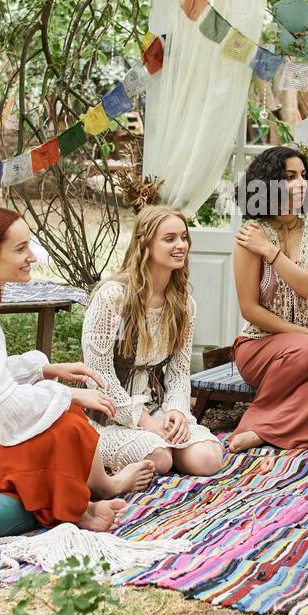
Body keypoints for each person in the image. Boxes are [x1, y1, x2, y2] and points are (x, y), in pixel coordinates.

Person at [0, 206, 154, 534]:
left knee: (69, 416)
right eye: (20, 249)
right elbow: (4, 404)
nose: (31, 256)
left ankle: (104, 485)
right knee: (63, 428)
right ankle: (82, 510)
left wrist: (47, 370)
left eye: (29, 245)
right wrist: (69, 393)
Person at [80, 204, 225, 477]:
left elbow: (179, 372)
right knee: (159, 458)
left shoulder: (184, 306)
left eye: (183, 237)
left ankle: (164, 441)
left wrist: (177, 412)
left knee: (208, 459)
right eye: (169, 239)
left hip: (154, 406)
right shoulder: (114, 297)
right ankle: (93, 445)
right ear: (145, 244)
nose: (180, 245)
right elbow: (98, 375)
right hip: (106, 413)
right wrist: (143, 421)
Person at [229, 146, 308, 452]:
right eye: (289, 177)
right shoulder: (252, 235)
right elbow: (249, 309)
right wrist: (306, 334)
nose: (300, 183)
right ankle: (260, 423)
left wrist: (271, 252)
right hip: (259, 345)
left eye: (303, 176)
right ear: (269, 184)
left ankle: (264, 432)